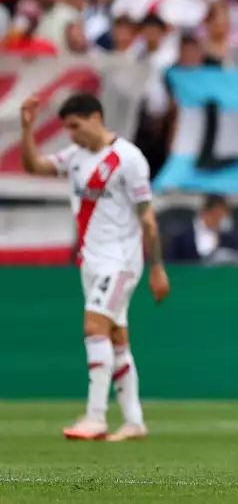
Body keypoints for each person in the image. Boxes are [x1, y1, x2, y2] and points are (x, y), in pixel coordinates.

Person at [19, 92, 170, 441]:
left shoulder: (128, 159)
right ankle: (134, 420)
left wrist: (157, 267)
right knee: (117, 338)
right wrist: (27, 130)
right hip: (91, 260)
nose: (71, 135)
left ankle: (96, 416)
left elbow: (147, 217)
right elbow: (34, 166)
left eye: (75, 126)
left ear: (96, 118)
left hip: (120, 260)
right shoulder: (75, 157)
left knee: (94, 326)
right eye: (67, 129)